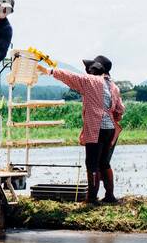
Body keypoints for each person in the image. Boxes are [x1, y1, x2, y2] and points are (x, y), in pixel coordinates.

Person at [39, 54, 124, 204]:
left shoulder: (90, 81)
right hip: (110, 128)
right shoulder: (114, 86)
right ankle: (110, 196)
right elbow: (119, 111)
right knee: (104, 163)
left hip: (96, 127)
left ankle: (91, 198)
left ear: (95, 70)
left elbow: (70, 76)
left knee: (92, 163)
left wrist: (49, 71)